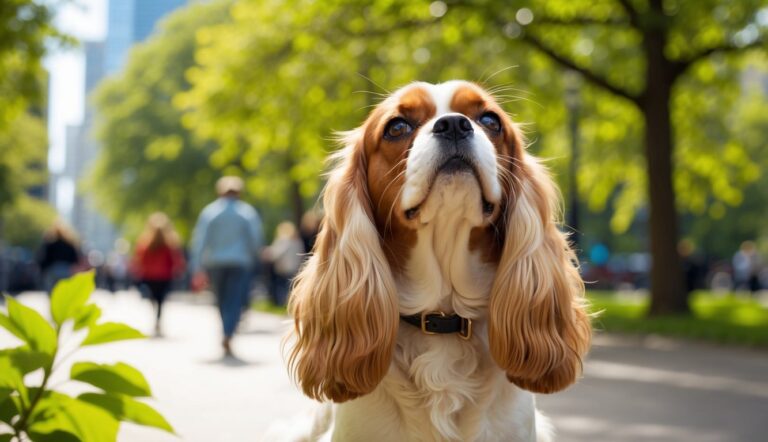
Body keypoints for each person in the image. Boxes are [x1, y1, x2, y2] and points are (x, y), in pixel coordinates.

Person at [190, 176, 263, 356]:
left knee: (221, 299)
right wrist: (256, 256)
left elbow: (200, 240)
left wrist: (196, 266)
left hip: (216, 263)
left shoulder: (210, 212)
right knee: (235, 299)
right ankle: (229, 332)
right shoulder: (246, 212)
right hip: (240, 263)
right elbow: (255, 239)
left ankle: (225, 329)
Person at [131, 213, 186, 335]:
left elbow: (140, 259)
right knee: (160, 299)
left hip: (150, 276)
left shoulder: (146, 242)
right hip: (164, 276)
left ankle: (157, 317)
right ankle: (158, 318)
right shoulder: (169, 243)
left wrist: (139, 271)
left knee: (153, 298)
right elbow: (175, 260)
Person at [262, 222, 305, 306]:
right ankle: (291, 303)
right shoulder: (297, 240)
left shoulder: (283, 240)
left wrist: (267, 253)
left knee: (284, 287)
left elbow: (277, 253)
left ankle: (284, 303)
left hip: (284, 268)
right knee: (291, 287)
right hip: (295, 267)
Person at [36, 220, 82, 293]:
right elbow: (75, 259)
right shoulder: (70, 245)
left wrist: (42, 270)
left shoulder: (50, 244)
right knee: (64, 294)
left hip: (53, 271)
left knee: (52, 293)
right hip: (66, 271)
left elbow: (44, 259)